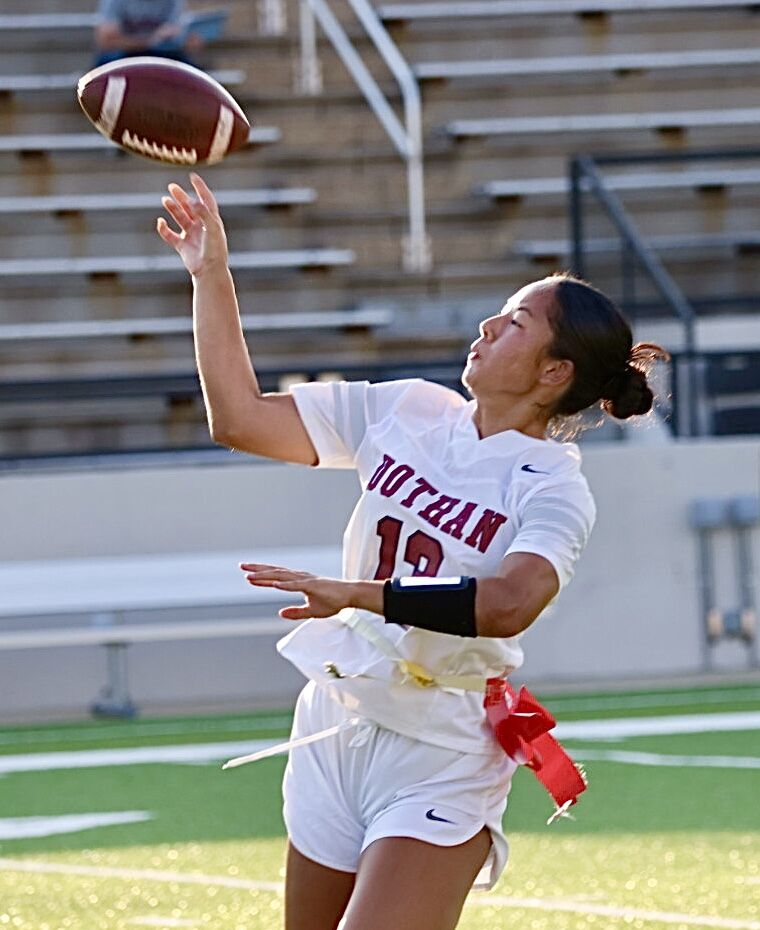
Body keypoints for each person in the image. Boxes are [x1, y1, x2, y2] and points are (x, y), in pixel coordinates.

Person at [156, 174, 667, 930]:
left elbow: (506, 605)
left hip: (443, 741)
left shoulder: (556, 485)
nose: (490, 327)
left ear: (554, 373)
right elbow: (238, 418)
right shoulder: (409, 408)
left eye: (517, 322)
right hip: (337, 715)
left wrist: (359, 594)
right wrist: (210, 273)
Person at [93, 0, 202, 68]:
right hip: (124, 56)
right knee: (105, 64)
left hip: (165, 55)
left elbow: (182, 38)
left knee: (193, 72)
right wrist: (151, 41)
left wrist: (187, 41)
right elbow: (106, 41)